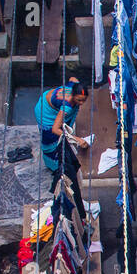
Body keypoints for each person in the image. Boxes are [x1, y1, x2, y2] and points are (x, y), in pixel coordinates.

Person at [34, 78, 92, 222]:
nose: (81, 104)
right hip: (46, 116)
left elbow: (73, 79)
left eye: (83, 100)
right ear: (73, 96)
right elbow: (55, 129)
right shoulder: (66, 106)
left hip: (44, 102)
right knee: (53, 143)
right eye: (79, 100)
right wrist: (76, 139)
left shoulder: (73, 86)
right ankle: (53, 165)